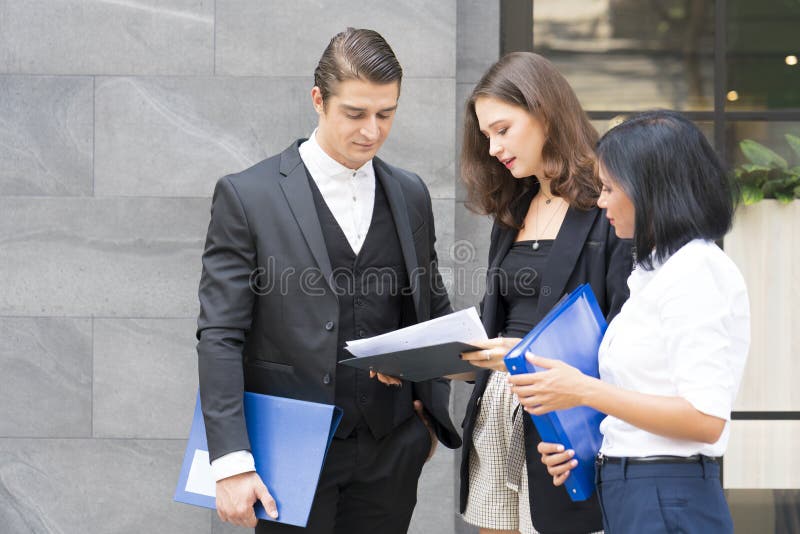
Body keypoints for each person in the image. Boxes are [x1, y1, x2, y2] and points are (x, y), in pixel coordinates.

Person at [196, 27, 461, 534]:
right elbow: (220, 335)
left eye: (386, 114)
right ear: (318, 100)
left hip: (391, 449)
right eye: (355, 113)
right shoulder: (247, 196)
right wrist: (231, 462)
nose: (372, 130)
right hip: (286, 453)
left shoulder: (409, 192)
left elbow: (430, 308)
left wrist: (428, 416)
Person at [511, 110, 750, 533]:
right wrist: (581, 447)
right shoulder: (654, 274)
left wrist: (582, 390)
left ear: (650, 191)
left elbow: (704, 418)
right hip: (633, 489)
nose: (600, 202)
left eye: (608, 188)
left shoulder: (696, 271)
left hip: (666, 493)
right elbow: (638, 400)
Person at [456, 52, 632, 534]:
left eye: (502, 129)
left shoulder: (611, 203)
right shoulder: (513, 206)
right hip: (497, 409)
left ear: (544, 112)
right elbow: (501, 313)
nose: (492, 147)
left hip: (565, 419)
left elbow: (626, 332)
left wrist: (528, 355)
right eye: (486, 136)